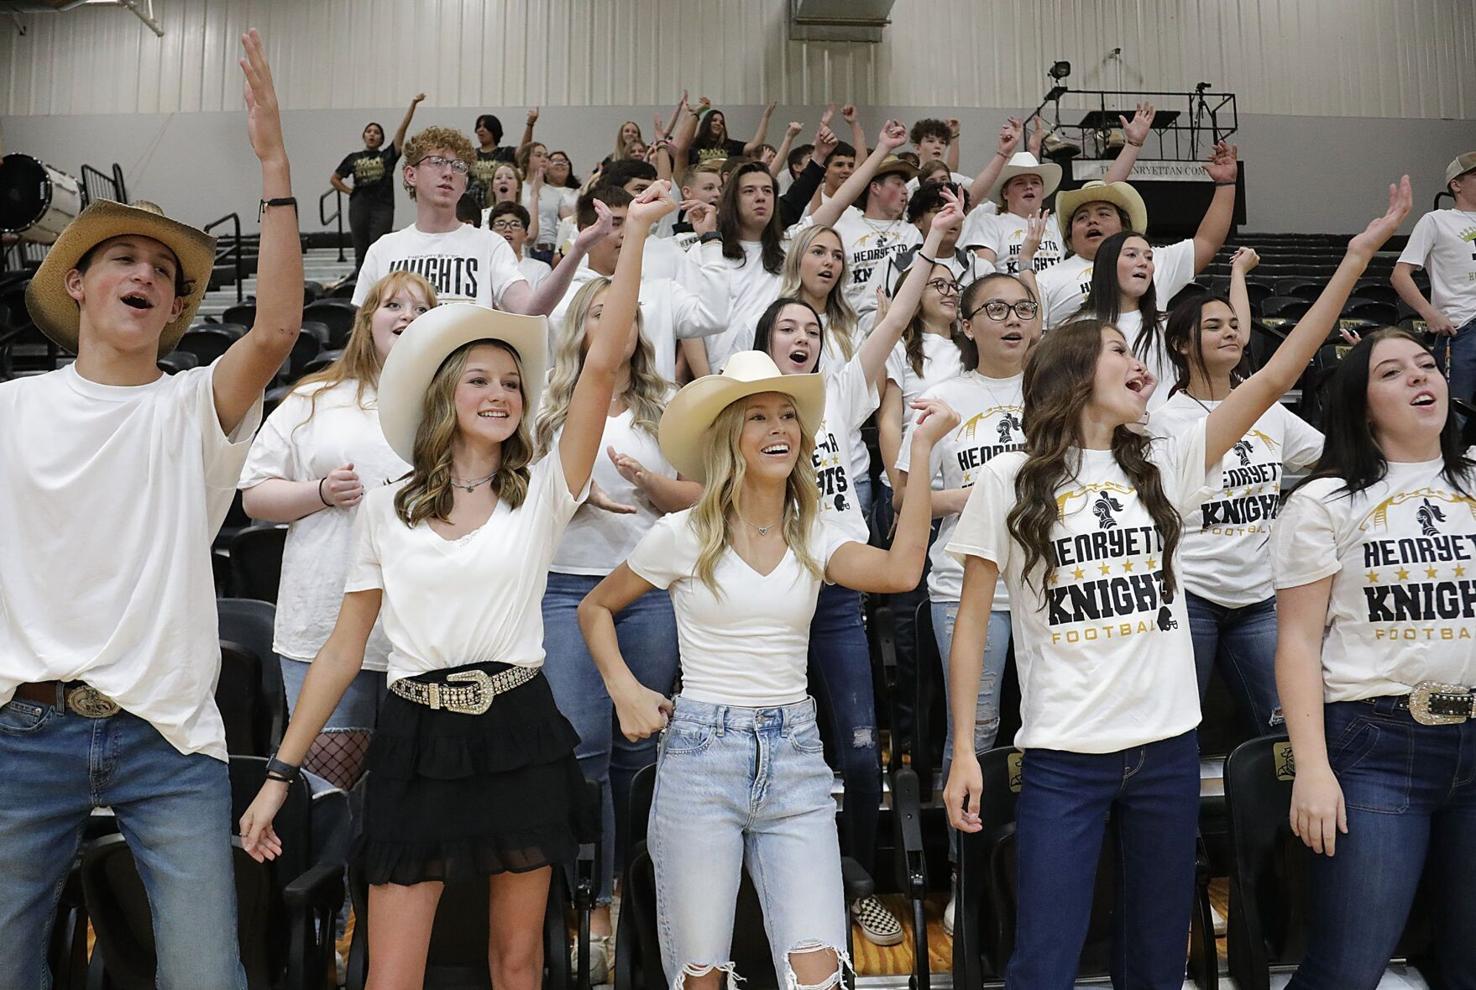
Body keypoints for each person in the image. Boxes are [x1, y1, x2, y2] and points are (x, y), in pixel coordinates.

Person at [942, 177, 1411, 987]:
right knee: (1043, 962)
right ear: (1072, 375)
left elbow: (1273, 378)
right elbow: (973, 624)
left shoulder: (1167, 460)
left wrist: (1357, 259)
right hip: (1062, 754)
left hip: (1164, 749)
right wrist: (960, 749)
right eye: (1122, 353)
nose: (1142, 364)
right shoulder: (1008, 481)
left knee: (1158, 960)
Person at [239, 179, 677, 990]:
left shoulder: (544, 489)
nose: (501, 394)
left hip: (518, 726)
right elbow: (341, 654)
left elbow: (603, 361)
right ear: (445, 394)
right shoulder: (384, 510)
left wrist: (638, 235)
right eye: (480, 379)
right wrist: (277, 776)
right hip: (414, 731)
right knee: (392, 973)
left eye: (512, 383)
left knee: (518, 964)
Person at [0, 30, 301, 989]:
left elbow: (280, 327)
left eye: (163, 271)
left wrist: (274, 166)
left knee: (208, 976)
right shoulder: (11, 411)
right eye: (122, 258)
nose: (146, 274)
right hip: (22, 733)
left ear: (172, 311)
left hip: (166, 738)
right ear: (77, 284)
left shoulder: (192, 407)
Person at [576, 349, 958, 989]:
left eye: (788, 416)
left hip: (796, 759)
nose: (779, 428)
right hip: (701, 753)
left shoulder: (817, 527)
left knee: (820, 976)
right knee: (703, 978)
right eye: (758, 417)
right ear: (729, 435)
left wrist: (918, 455)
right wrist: (625, 689)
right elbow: (594, 608)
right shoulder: (683, 531)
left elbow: (900, 572)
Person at [748, 195, 963, 944]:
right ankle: (782, 889)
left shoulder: (839, 391)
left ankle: (856, 882)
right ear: (762, 343)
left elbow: (896, 320)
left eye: (810, 328)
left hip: (840, 593)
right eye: (788, 328)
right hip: (765, 599)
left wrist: (934, 239)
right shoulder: (739, 412)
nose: (803, 335)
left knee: (863, 748)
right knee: (779, 745)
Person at [1274, 324, 1475, 989]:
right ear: (1361, 403)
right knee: (1350, 966)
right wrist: (1312, 769)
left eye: (1426, 365)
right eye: (1392, 372)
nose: (1420, 377)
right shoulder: (1323, 501)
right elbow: (1298, 642)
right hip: (1377, 746)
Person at [535, 273, 702, 979]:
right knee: (580, 750)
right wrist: (572, 500)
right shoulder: (548, 404)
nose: (614, 326)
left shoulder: (669, 408)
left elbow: (702, 496)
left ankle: (637, 899)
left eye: (626, 316)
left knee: (641, 753)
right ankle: (590, 899)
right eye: (600, 313)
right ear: (581, 324)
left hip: (648, 592)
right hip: (565, 590)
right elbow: (521, 499)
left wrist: (656, 490)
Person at [239, 271, 435, 792]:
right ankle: (326, 879)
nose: (408, 317)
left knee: (411, 797)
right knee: (328, 796)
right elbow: (254, 493)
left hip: (421, 633)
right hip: (322, 621)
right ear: (367, 318)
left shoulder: (450, 405)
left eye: (422, 310)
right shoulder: (315, 398)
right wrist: (320, 493)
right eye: (395, 305)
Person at [893, 271, 1042, 936]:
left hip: (1051, 590)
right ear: (968, 323)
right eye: (997, 309)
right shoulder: (940, 396)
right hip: (965, 588)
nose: (1013, 319)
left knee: (1052, 734)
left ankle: (1036, 875)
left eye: (1024, 308)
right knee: (973, 743)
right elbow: (904, 499)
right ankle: (966, 880)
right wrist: (986, 497)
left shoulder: (1061, 392)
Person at [1150, 248, 1322, 736]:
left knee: (1286, 727)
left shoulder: (1270, 412)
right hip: (1190, 592)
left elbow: (1329, 462)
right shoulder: (1163, 423)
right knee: (1177, 727)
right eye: (1213, 326)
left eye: (1233, 324)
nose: (1230, 332)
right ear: (1182, 344)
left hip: (1261, 595)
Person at [352, 125, 600, 316]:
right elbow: (362, 330)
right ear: (410, 174)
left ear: (466, 183)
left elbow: (530, 311)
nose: (448, 172)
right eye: (437, 162)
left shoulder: (490, 245)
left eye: (458, 166)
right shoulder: (383, 249)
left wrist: (577, 251)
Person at [1036, 140, 1239, 329]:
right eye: (1081, 218)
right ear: (1069, 237)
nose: (1092, 221)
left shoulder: (1153, 260)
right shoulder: (1045, 280)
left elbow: (1207, 241)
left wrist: (1226, 185)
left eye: (1104, 214)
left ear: (1125, 227)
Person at [548, 185, 727, 383]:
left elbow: (714, 317)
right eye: (615, 224)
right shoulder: (562, 297)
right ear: (585, 230)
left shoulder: (662, 291)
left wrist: (710, 240)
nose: (626, 233)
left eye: (633, 224)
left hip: (654, 410)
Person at [1392, 151, 1476, 406]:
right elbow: (1400, 274)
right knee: (1455, 414)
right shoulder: (1436, 221)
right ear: (1456, 184)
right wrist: (1431, 314)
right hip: (1465, 327)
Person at [331, 93, 425, 274]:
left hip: (382, 207)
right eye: (369, 131)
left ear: (381, 138)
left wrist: (413, 104)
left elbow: (401, 131)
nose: (372, 134)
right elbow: (335, 178)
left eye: (376, 132)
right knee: (361, 251)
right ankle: (361, 292)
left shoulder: (387, 156)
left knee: (379, 248)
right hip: (359, 206)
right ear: (364, 136)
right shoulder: (353, 158)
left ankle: (380, 287)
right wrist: (350, 192)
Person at [487, 202, 552, 291]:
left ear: (525, 234)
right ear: (490, 232)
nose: (507, 229)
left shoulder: (540, 270)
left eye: (515, 225)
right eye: (500, 224)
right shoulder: (481, 267)